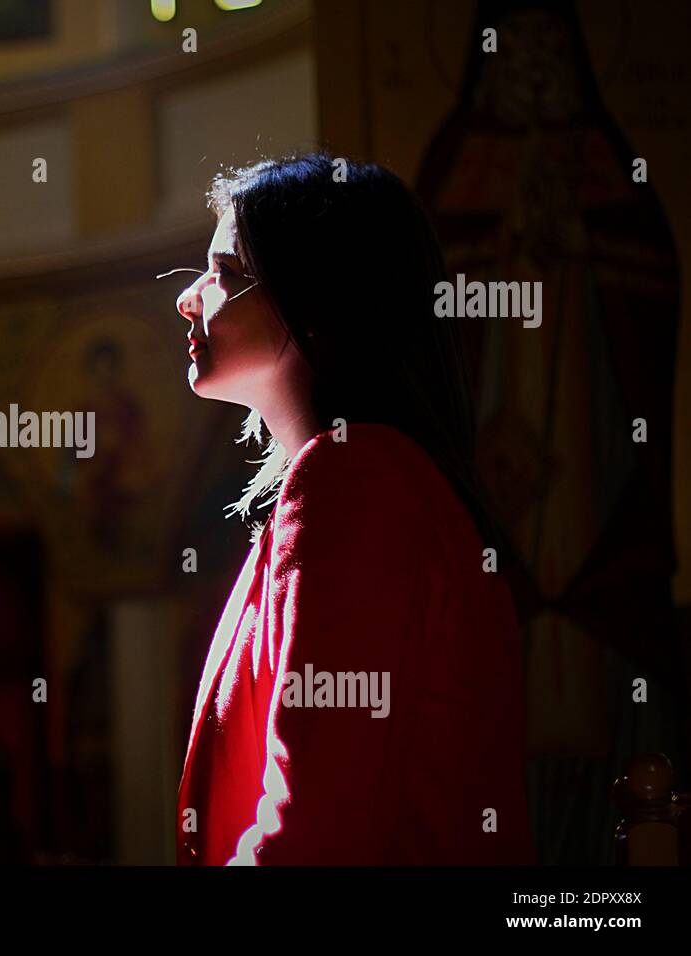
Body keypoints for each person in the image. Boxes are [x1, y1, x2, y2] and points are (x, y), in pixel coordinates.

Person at [171, 154, 534, 865]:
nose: (189, 297)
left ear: (314, 302)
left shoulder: (356, 481)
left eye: (224, 273)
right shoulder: (358, 478)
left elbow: (314, 828)